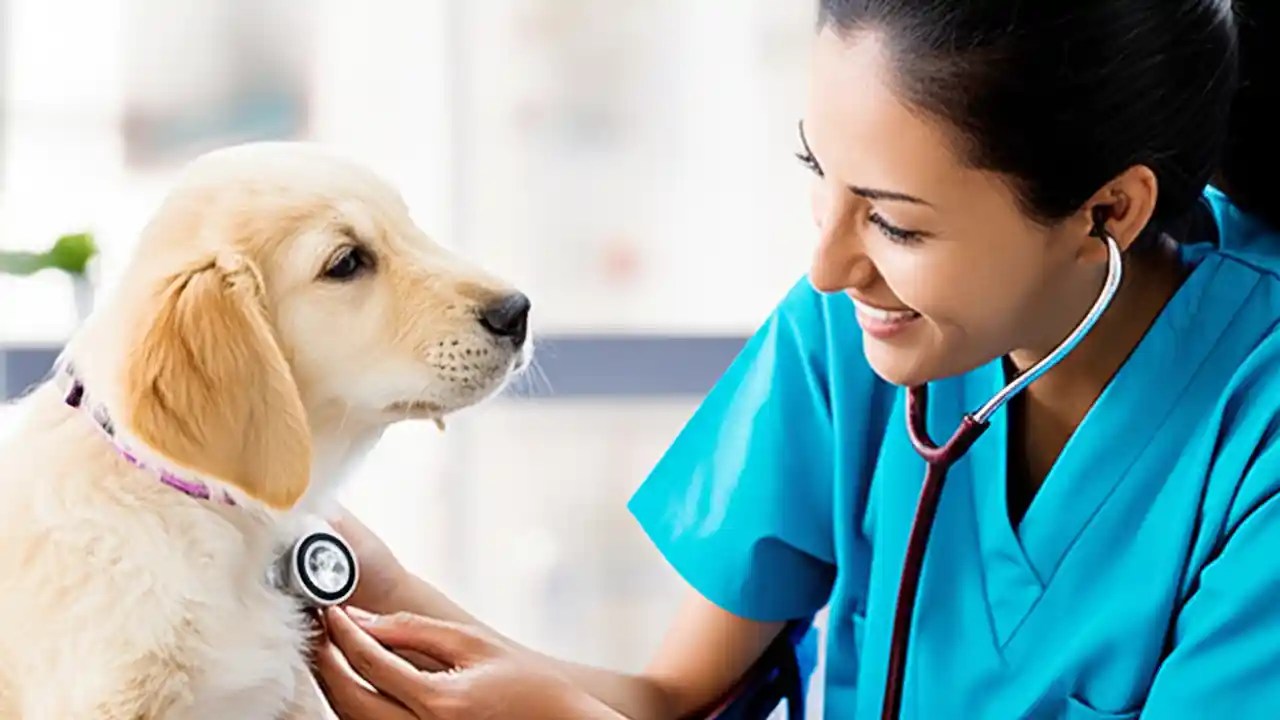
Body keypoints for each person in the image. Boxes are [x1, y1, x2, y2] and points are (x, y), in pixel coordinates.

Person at [313, 1, 1280, 717]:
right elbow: (674, 697)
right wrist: (385, 590)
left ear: (1108, 211)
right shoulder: (863, 332)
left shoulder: (1258, 432)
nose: (827, 268)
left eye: (896, 223)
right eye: (821, 177)